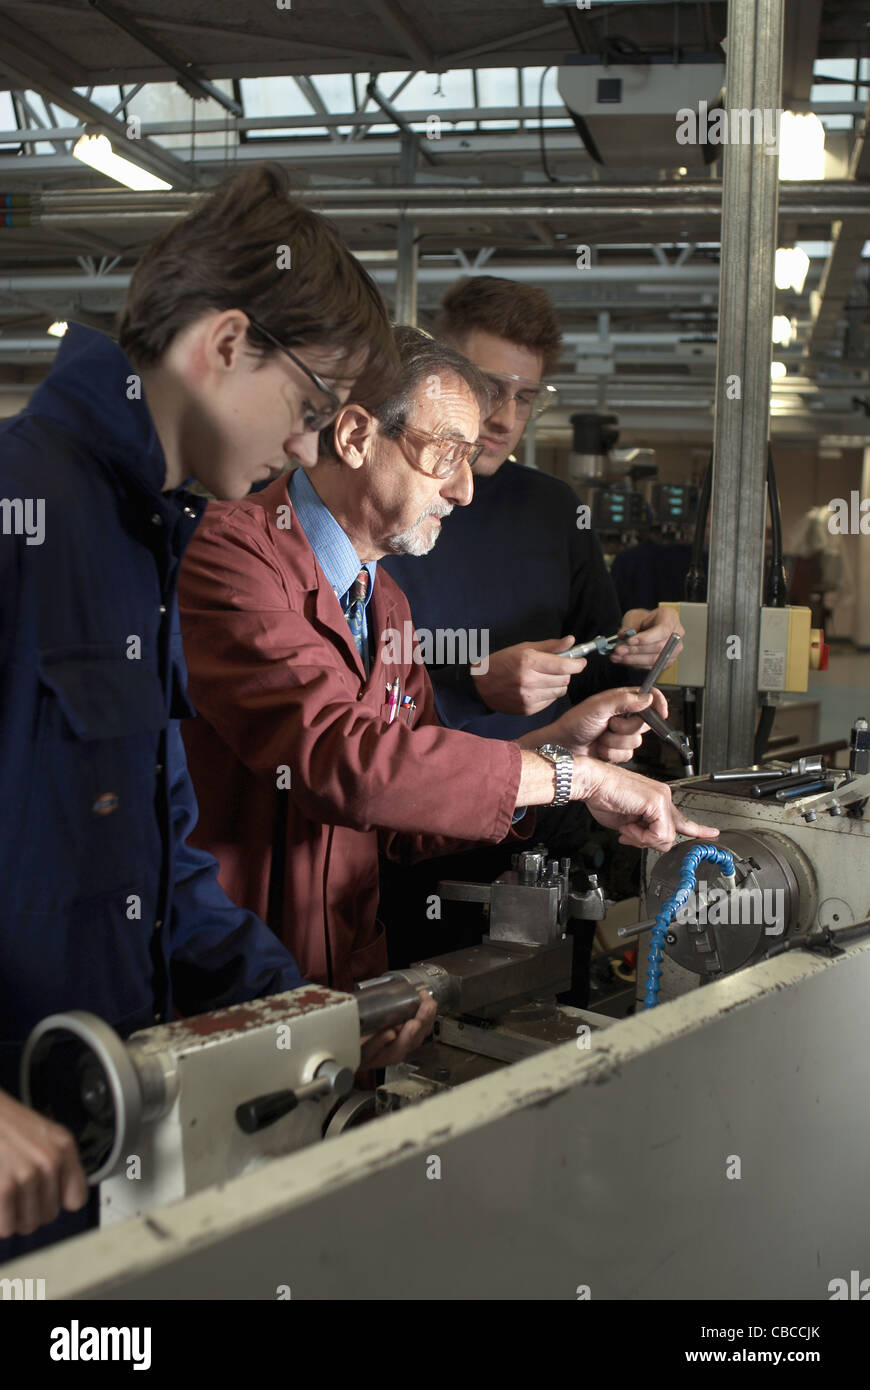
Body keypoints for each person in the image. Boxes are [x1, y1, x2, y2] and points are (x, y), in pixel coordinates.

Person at [0, 163, 428, 1256]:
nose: (305, 448)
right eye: (308, 407)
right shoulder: (21, 506)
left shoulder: (153, 540)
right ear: (227, 342)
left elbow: (167, 873)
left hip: (102, 1162)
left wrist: (310, 1014)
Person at [177, 326, 717, 994]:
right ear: (354, 437)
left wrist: (552, 744)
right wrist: (573, 778)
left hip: (342, 976)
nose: (464, 489)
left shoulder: (386, 603)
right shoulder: (232, 555)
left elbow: (407, 806)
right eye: (445, 455)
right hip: (234, 973)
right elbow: (341, 760)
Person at [378, 277, 687, 972]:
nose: (504, 416)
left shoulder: (554, 512)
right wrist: (470, 688)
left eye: (526, 396)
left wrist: (645, 646)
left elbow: (600, 669)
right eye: (487, 386)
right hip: (403, 840)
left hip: (540, 840)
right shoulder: (390, 501)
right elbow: (346, 698)